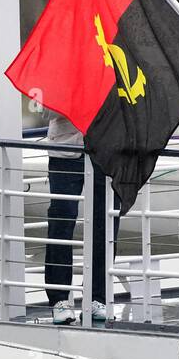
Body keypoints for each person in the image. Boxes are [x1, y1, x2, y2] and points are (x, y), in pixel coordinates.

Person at [43, 109, 121, 326]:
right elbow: (42, 111)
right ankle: (59, 301)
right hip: (64, 152)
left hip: (106, 151)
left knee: (105, 223)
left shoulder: (113, 72)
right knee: (62, 220)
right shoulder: (55, 73)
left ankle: (98, 299)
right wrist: (71, 99)